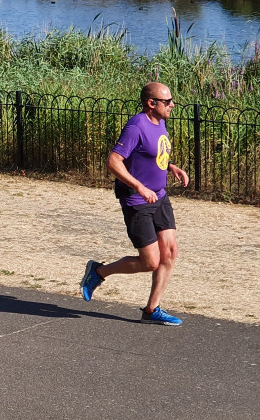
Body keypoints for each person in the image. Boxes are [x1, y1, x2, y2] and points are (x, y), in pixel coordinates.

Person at [80, 82, 190, 326]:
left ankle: (151, 310)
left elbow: (150, 154)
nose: (172, 105)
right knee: (150, 262)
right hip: (137, 201)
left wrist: (170, 166)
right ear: (151, 103)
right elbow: (114, 161)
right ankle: (98, 272)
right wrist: (140, 186)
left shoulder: (160, 122)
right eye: (167, 101)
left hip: (159, 196)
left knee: (170, 252)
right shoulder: (136, 127)